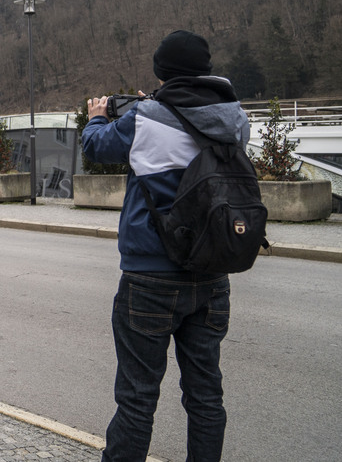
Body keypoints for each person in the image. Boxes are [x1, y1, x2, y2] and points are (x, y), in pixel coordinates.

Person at [81, 30, 250, 462]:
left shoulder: (145, 117)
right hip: (212, 273)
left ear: (163, 71)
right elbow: (192, 134)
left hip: (151, 276)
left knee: (137, 398)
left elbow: (96, 148)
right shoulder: (235, 118)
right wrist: (156, 105)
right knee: (206, 395)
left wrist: (100, 115)